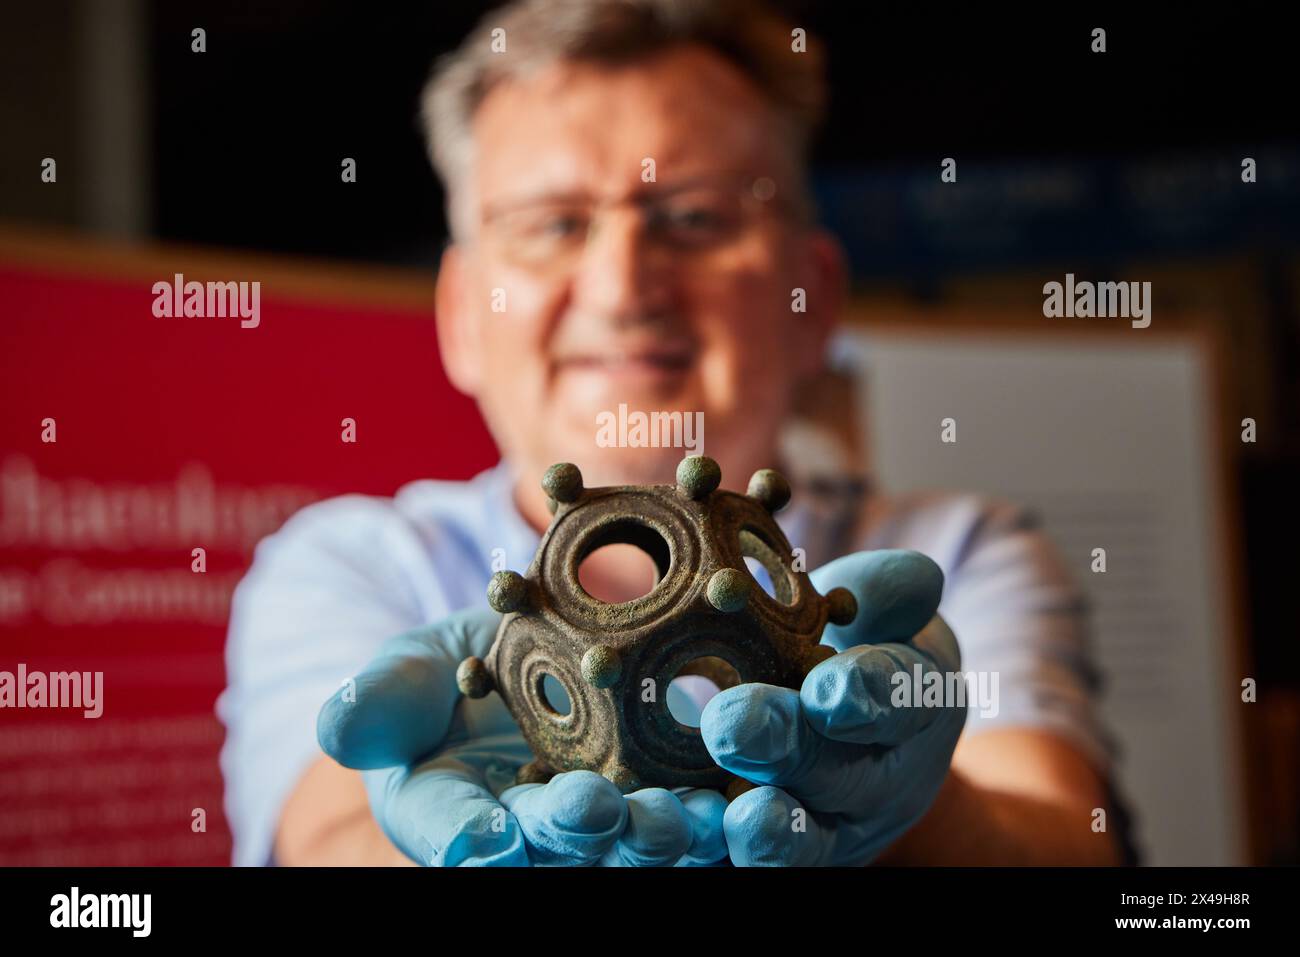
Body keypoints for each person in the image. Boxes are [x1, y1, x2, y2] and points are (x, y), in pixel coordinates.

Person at [217, 0, 1127, 866]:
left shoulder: (958, 553)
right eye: (553, 225)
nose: (620, 287)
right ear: (461, 315)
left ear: (812, 301)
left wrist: (912, 814)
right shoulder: (351, 562)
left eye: (693, 217)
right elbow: (327, 832)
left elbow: (1062, 840)